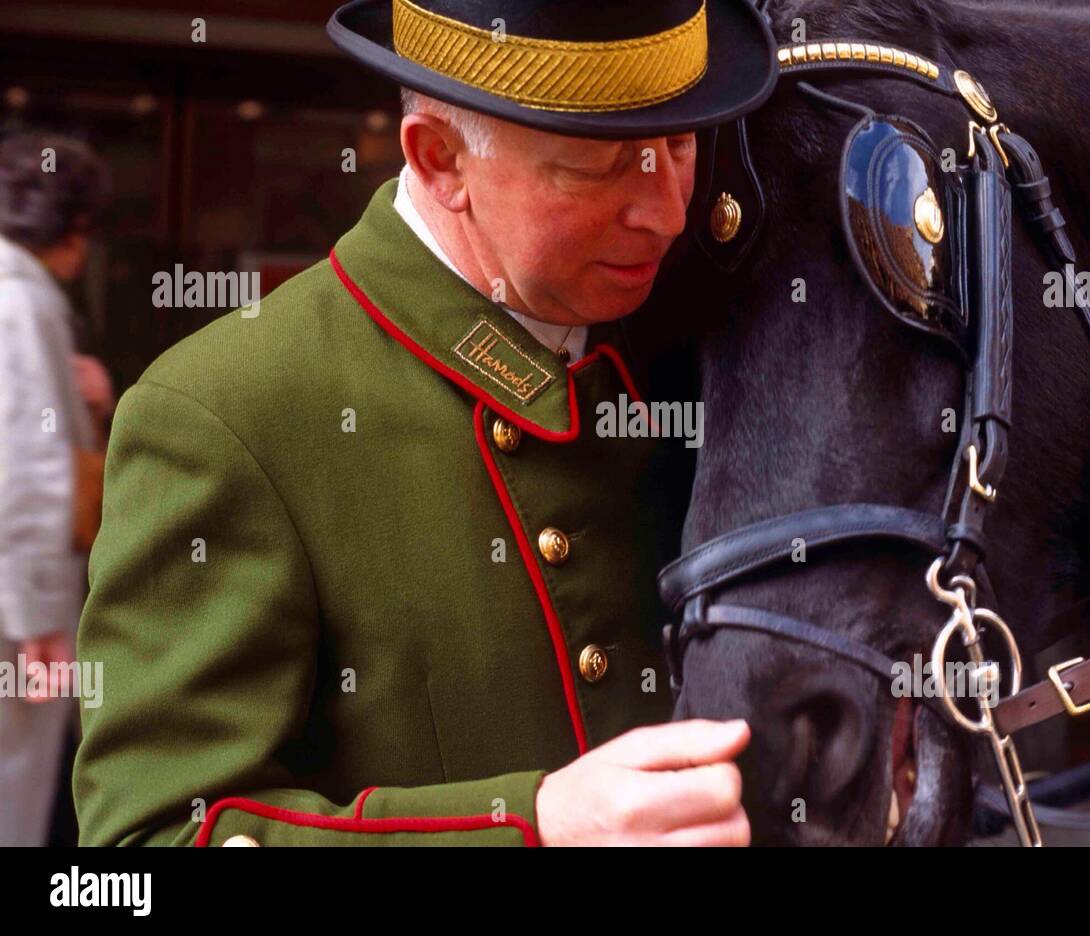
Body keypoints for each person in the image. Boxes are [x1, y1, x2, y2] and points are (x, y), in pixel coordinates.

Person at [74, 0, 777, 845]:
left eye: (679, 145)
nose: (664, 210)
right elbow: (143, 843)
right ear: (440, 160)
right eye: (598, 164)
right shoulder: (224, 411)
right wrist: (531, 829)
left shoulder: (708, 345)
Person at [0, 131, 111, 845]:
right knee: (14, 780)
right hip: (15, 605)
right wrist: (40, 618)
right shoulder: (19, 300)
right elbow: (28, 467)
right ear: (74, 230)